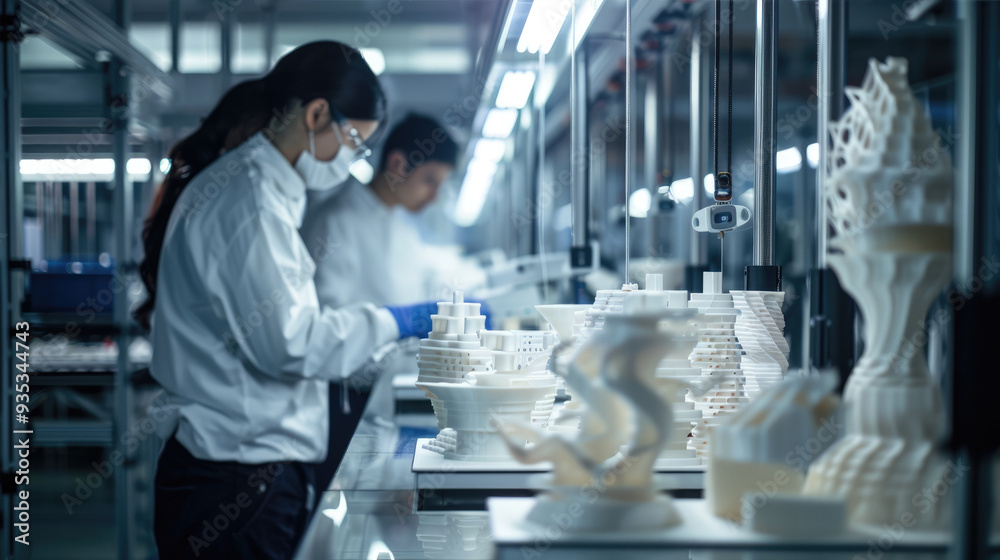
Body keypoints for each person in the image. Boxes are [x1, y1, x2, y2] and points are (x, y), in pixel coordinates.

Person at [138, 41, 438, 559]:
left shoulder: (260, 191)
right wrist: (393, 321)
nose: (353, 159)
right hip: (234, 481)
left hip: (240, 469)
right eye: (354, 141)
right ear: (316, 114)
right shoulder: (250, 203)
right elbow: (292, 343)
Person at [299, 113, 487, 495]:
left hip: (384, 402)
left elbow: (416, 286)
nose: (434, 196)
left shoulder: (399, 222)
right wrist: (400, 324)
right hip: (341, 406)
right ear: (399, 165)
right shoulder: (338, 220)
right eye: (430, 180)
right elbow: (326, 331)